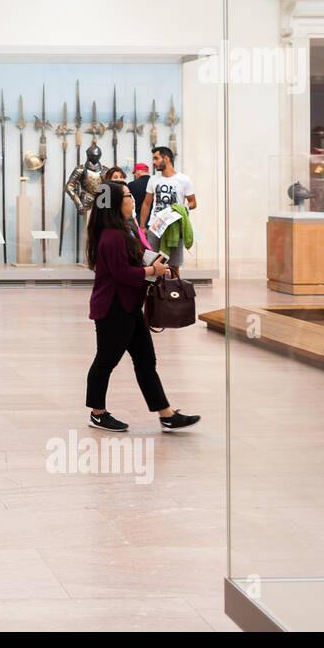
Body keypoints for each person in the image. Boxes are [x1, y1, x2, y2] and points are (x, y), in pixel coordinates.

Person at [86, 179, 200, 433]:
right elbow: (122, 273)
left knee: (146, 361)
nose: (132, 199)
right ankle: (97, 412)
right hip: (113, 309)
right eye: (127, 196)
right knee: (105, 361)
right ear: (116, 203)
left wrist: (158, 268)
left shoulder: (121, 230)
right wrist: (152, 269)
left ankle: (166, 414)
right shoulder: (113, 235)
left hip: (128, 307)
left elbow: (134, 261)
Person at [139, 146, 196, 269]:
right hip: (155, 227)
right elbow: (146, 203)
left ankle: (173, 288)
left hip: (174, 227)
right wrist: (143, 226)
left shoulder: (184, 180)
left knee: (174, 265)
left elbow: (193, 203)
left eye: (156, 158)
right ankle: (154, 289)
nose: (153, 162)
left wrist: (181, 208)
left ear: (167, 158)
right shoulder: (153, 180)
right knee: (151, 264)